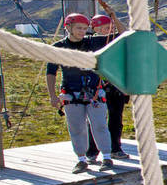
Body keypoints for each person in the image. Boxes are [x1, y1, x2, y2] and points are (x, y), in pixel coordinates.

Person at [46, 10, 121, 173]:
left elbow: (122, 36)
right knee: (76, 127)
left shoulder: (92, 43)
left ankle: (107, 157)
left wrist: (113, 18)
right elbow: (51, 72)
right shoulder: (58, 48)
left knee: (100, 125)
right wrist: (52, 96)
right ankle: (81, 159)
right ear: (68, 27)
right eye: (79, 28)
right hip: (70, 93)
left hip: (94, 92)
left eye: (84, 28)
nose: (82, 31)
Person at [85, 13, 130, 162]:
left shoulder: (116, 39)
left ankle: (115, 148)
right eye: (103, 28)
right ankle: (92, 151)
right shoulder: (90, 41)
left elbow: (126, 33)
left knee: (116, 119)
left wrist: (115, 18)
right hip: (97, 86)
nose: (106, 30)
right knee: (97, 120)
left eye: (108, 27)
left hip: (115, 86)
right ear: (95, 28)